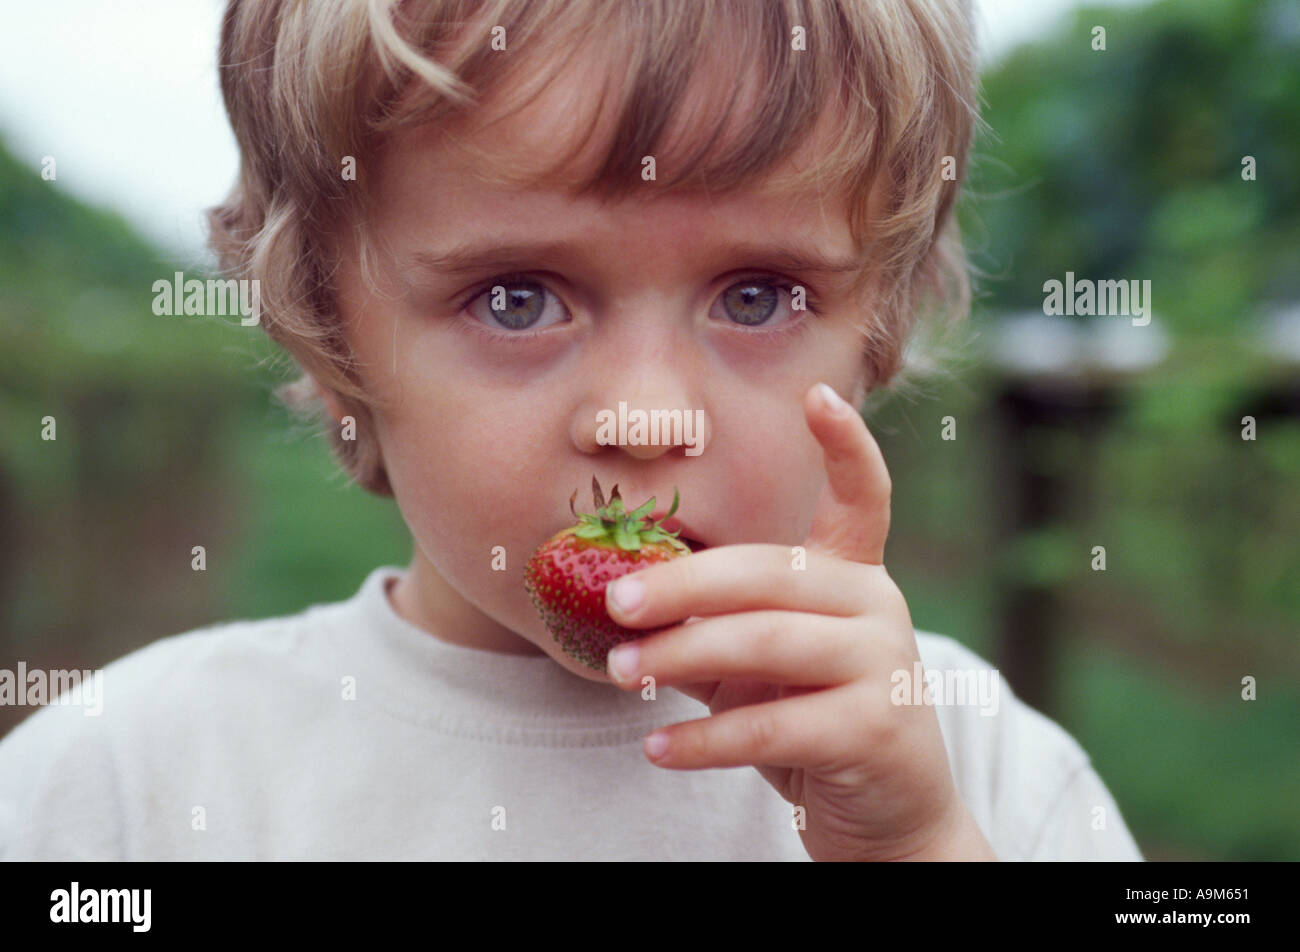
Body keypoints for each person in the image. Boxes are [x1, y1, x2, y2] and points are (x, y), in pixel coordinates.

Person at [0, 0, 1142, 861]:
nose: (645, 417)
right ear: (329, 338)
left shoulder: (978, 768)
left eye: (756, 296)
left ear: (875, 330)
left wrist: (917, 848)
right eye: (516, 298)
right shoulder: (124, 780)